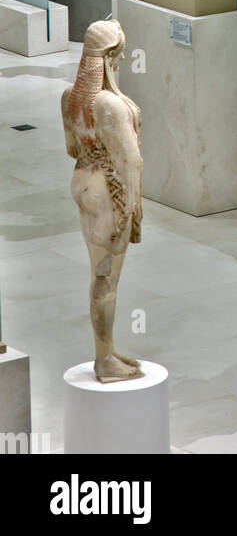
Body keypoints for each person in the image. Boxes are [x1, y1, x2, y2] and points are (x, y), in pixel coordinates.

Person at [61, 20, 143, 383]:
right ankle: (104, 361)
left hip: (82, 180)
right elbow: (131, 161)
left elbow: (71, 148)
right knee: (106, 277)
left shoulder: (69, 96)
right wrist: (134, 208)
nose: (124, 57)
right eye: (120, 51)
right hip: (107, 189)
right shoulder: (109, 103)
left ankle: (105, 350)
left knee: (100, 273)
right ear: (109, 56)